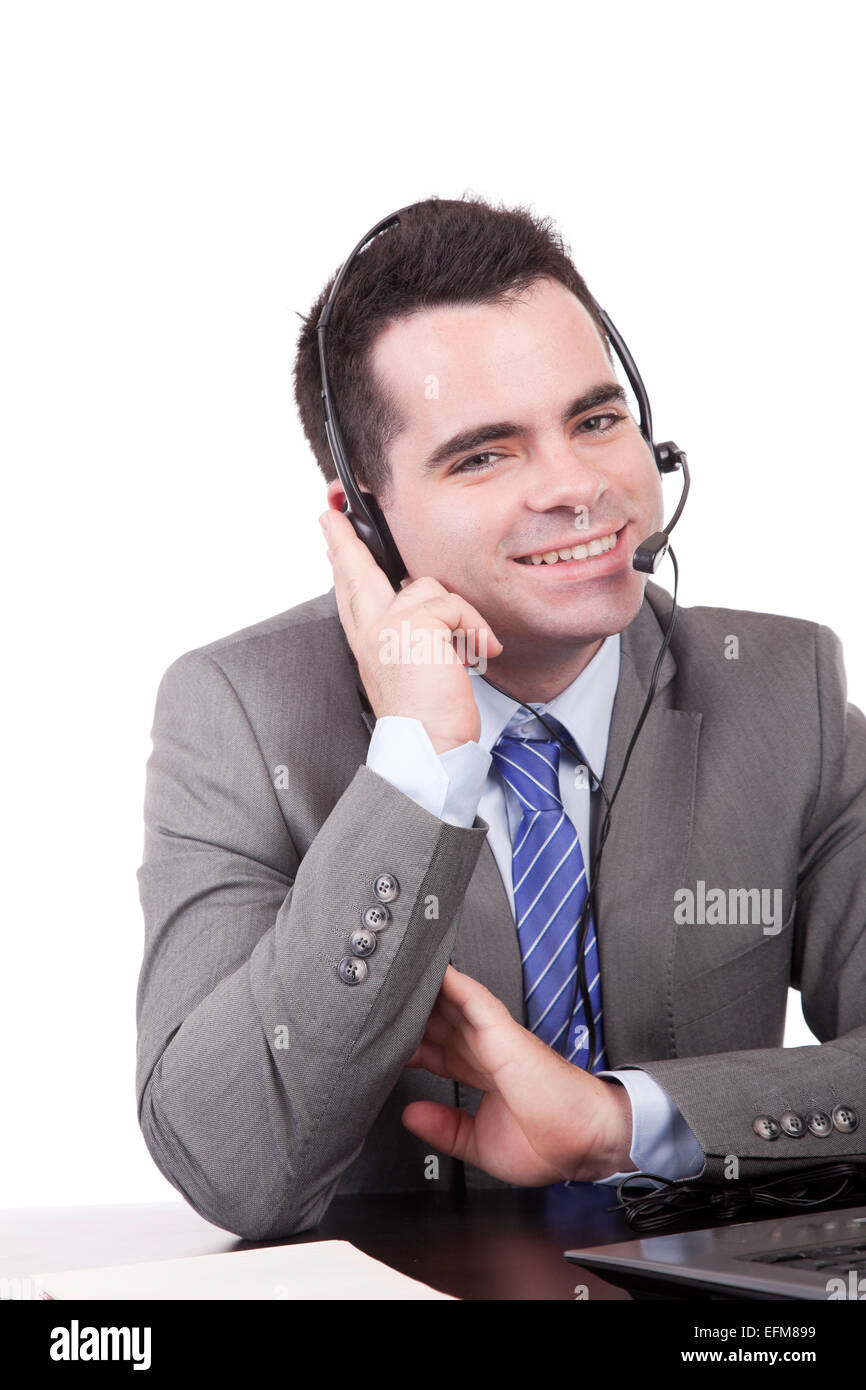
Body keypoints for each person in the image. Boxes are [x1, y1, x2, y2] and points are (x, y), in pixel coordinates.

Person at [136, 195, 866, 1242]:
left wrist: (623, 1121)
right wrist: (415, 768)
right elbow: (227, 1164)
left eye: (595, 419)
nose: (578, 487)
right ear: (366, 518)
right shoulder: (242, 716)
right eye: (483, 454)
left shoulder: (777, 687)